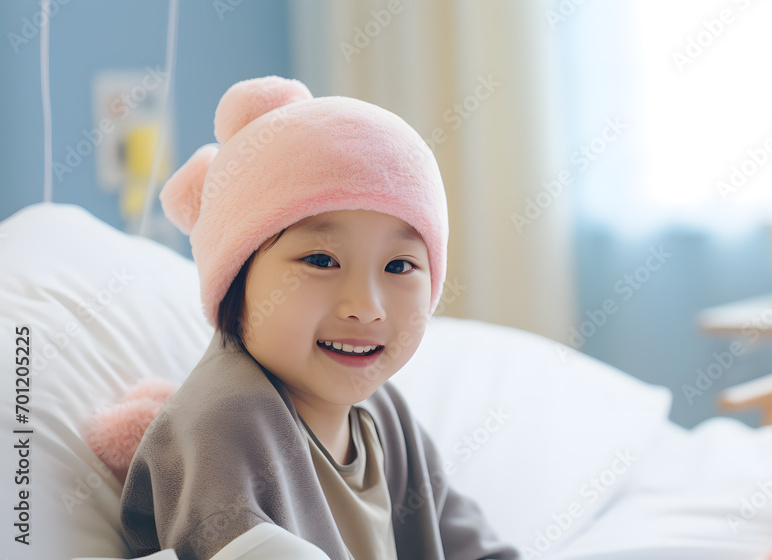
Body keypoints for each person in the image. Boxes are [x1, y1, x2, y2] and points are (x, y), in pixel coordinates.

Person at [119, 75, 519, 560]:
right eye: (321, 261)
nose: (365, 306)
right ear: (236, 278)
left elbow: (472, 547)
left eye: (399, 266)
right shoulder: (220, 424)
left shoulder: (386, 415)